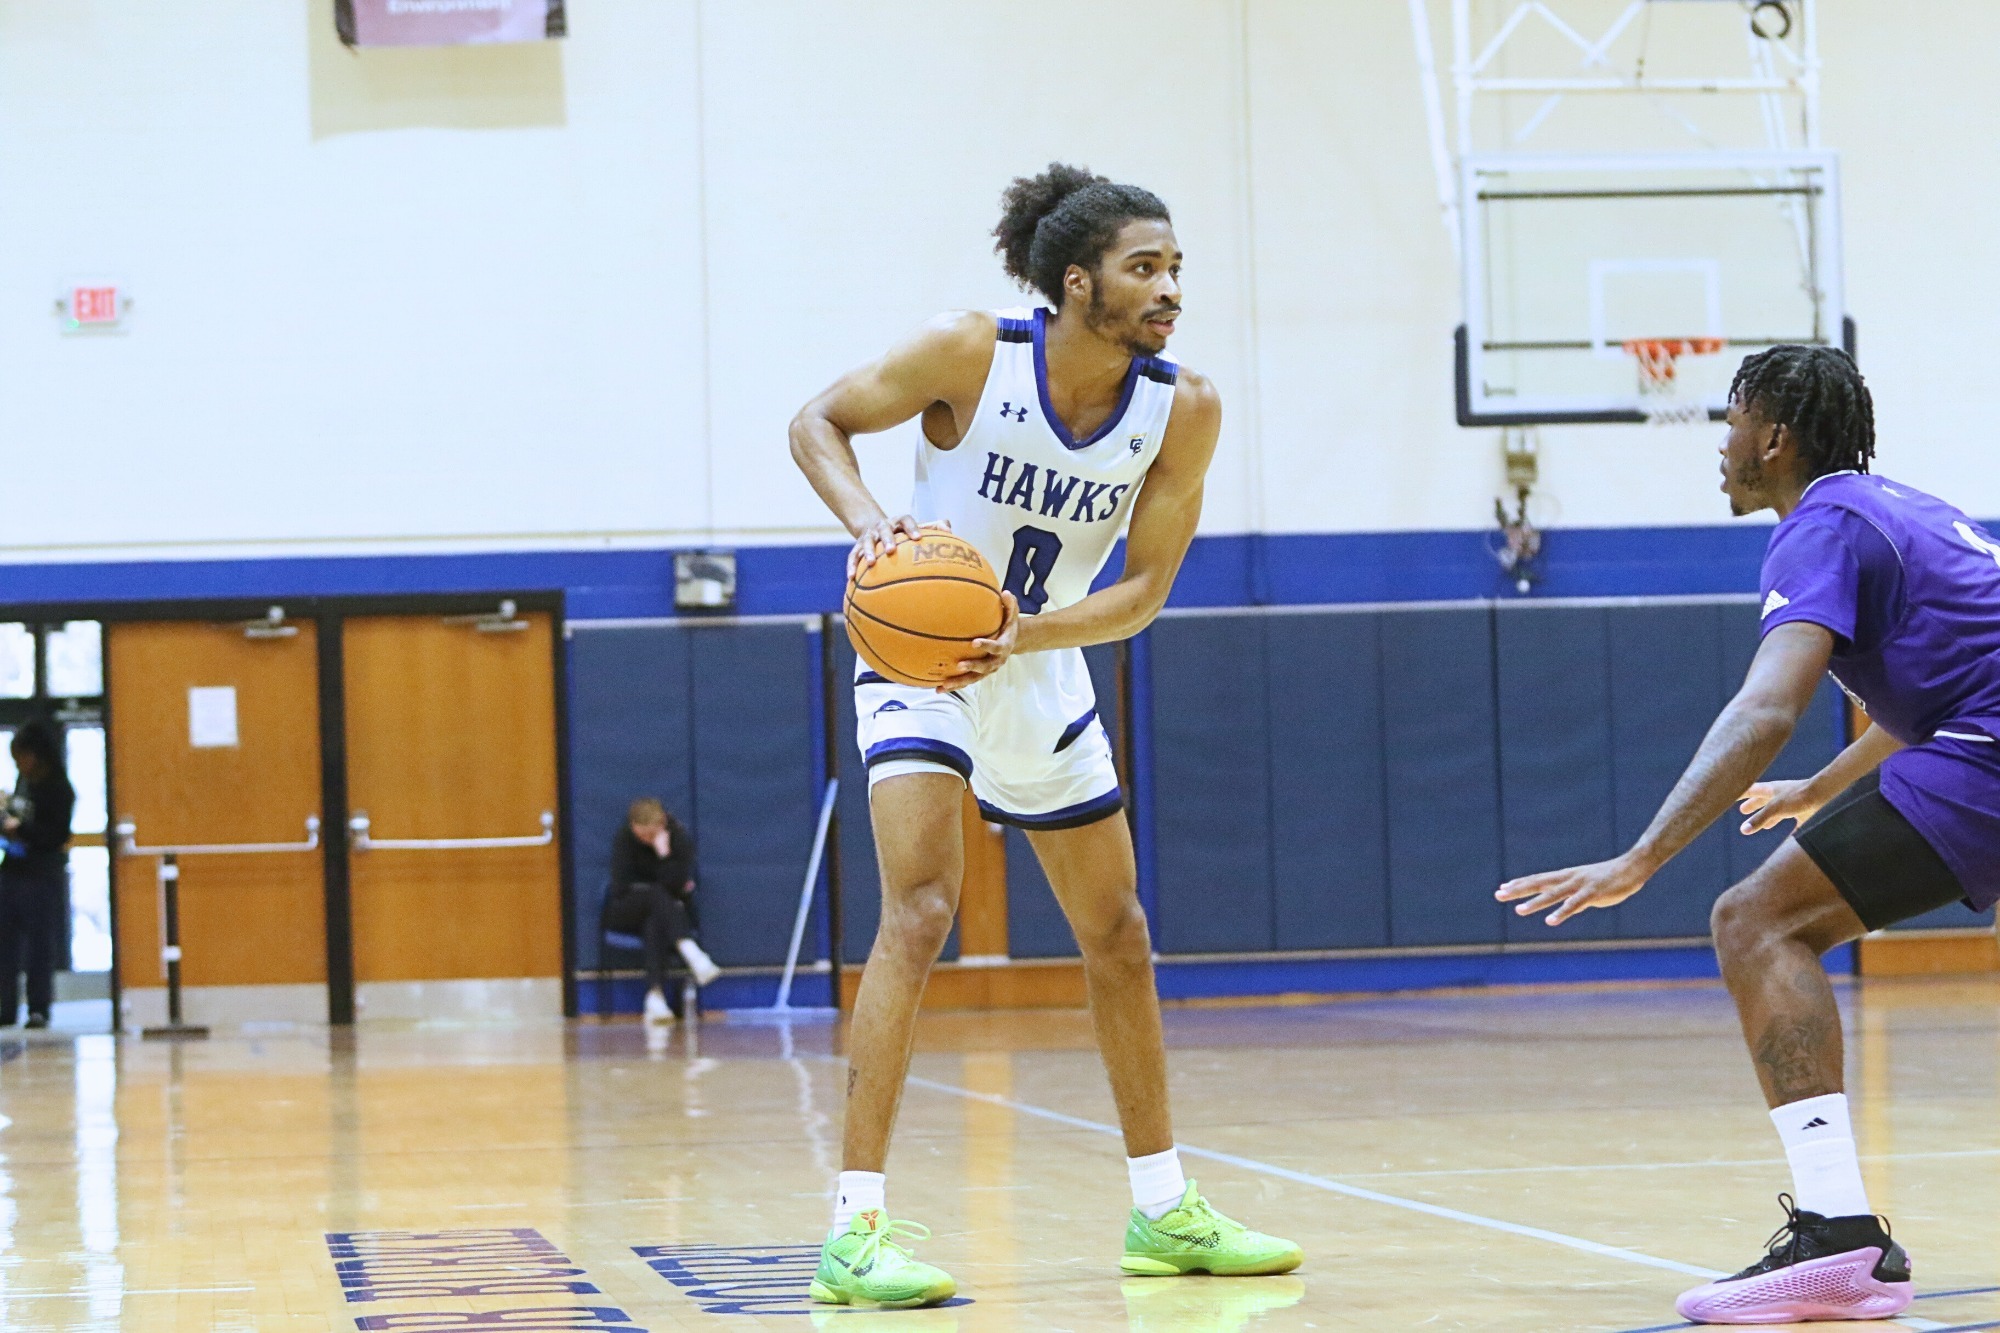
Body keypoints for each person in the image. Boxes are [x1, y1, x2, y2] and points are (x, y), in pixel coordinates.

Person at [789, 163, 1300, 1309]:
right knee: (919, 910)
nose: (1168, 287)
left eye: (1174, 267)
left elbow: (1144, 592)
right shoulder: (969, 349)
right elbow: (814, 420)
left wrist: (1026, 633)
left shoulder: (1184, 407)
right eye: (1143, 267)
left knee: (1115, 928)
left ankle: (1164, 1208)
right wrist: (874, 531)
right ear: (1077, 283)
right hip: (916, 660)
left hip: (1033, 660)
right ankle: (853, 1228)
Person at [1496, 344, 2000, 1324]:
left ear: (1771, 436)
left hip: (1984, 751)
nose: (1718, 446)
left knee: (1754, 921)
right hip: (1973, 739)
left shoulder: (1816, 527)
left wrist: (1639, 857)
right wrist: (1822, 784)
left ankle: (1835, 1234)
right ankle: (1837, 1233)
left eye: (1726, 423)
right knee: (1764, 916)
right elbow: (1927, 692)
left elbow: (1765, 706)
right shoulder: (1892, 506)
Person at [605, 797, 719, 1024]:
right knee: (657, 896)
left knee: (655, 922)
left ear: (662, 824)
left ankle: (655, 998)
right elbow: (621, 886)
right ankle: (689, 949)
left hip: (664, 913)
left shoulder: (678, 837)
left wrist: (664, 854)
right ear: (633, 827)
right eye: (642, 835)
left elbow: (680, 883)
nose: (647, 839)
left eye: (652, 834)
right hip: (626, 909)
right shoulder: (624, 839)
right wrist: (665, 882)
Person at [0, 723, 75, 1030]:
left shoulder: (59, 789)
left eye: (22, 757)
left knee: (40, 944)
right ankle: (5, 1007)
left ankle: (38, 1007)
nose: (19, 764)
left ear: (37, 755)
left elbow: (55, 835)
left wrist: (21, 830)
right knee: (5, 942)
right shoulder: (23, 782)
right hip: (13, 871)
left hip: (43, 873)